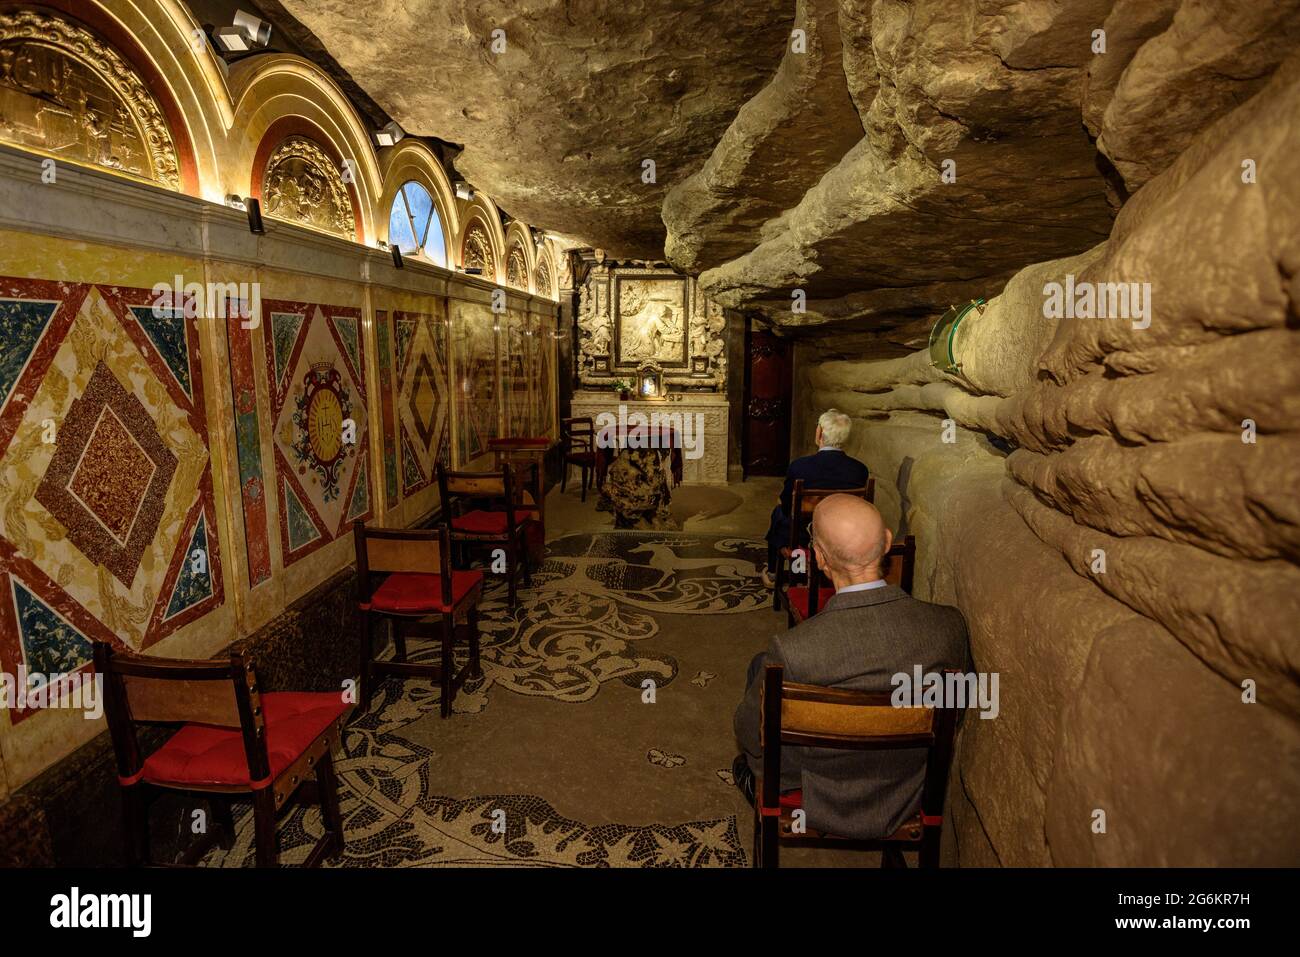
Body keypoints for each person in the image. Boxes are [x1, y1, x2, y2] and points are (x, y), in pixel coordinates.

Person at [733, 494, 968, 840]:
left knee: (760, 676)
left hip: (816, 794)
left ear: (819, 558)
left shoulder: (794, 648)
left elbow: (750, 733)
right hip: (906, 792)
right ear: (886, 542)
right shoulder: (949, 628)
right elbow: (956, 712)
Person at [761, 409, 868, 587]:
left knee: (779, 514)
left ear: (819, 433)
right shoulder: (859, 469)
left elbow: (787, 506)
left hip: (806, 534)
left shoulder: (800, 467)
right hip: (843, 533)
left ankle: (787, 572)